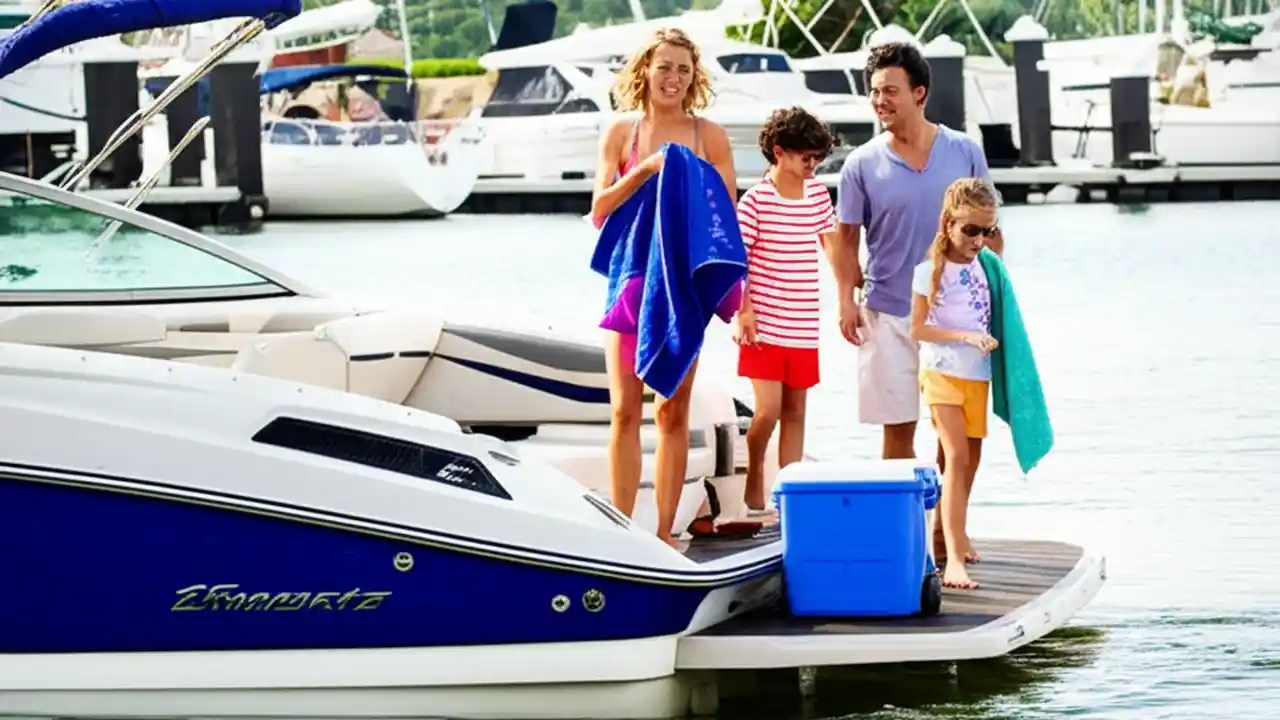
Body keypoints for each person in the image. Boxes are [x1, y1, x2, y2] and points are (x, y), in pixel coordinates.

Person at [828, 41, 1001, 563]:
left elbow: (990, 231)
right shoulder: (860, 163)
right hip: (887, 311)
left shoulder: (963, 150)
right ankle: (905, 539)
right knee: (897, 430)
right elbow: (844, 238)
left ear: (919, 93)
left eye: (891, 91)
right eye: (874, 91)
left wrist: (998, 299)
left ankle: (948, 532)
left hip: (954, 317)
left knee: (959, 438)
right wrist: (845, 300)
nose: (880, 100)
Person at [589, 27, 737, 548]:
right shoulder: (620, 133)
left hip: (682, 285)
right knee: (625, 409)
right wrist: (650, 170)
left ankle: (664, 531)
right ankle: (622, 530)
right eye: (664, 67)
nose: (673, 78)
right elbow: (599, 209)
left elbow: (725, 221)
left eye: (683, 68)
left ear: (694, 76)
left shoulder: (709, 137)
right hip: (630, 279)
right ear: (644, 72)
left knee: (672, 410)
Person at [734, 106, 836, 513]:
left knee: (796, 411)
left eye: (817, 158)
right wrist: (744, 311)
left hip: (803, 321)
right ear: (779, 152)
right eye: (805, 157)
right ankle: (754, 465)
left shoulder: (817, 196)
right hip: (763, 322)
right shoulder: (756, 201)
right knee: (769, 411)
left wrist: (851, 288)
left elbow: (831, 246)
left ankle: (789, 496)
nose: (813, 166)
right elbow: (739, 261)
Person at [909, 177, 1002, 590]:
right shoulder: (929, 271)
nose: (978, 239)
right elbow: (917, 329)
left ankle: (957, 535)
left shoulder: (986, 264)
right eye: (970, 230)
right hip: (941, 372)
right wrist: (964, 337)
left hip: (976, 375)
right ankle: (951, 560)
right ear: (948, 223)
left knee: (970, 462)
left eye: (987, 230)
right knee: (957, 456)